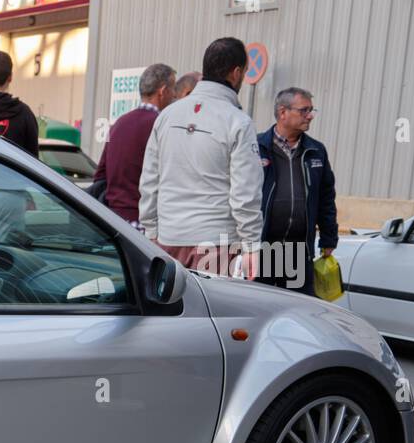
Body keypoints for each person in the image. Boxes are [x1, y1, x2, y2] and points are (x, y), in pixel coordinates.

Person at [138, 37, 264, 280]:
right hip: (216, 246)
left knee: (171, 314)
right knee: (212, 316)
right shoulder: (238, 122)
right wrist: (251, 246)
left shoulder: (167, 116)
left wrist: (152, 231)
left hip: (168, 240)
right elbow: (245, 194)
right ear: (236, 73)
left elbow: (150, 180)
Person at [257, 87, 337, 293]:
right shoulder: (256, 147)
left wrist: (329, 237)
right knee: (258, 306)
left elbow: (326, 198)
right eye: (304, 110)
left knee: (297, 310)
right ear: (283, 112)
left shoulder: (316, 151)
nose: (310, 116)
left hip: (299, 251)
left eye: (311, 110)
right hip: (262, 249)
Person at [92, 62, 175, 224]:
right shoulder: (161, 126)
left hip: (114, 221)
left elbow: (101, 174)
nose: (175, 96)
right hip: (145, 223)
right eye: (173, 89)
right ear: (163, 91)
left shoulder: (118, 124)